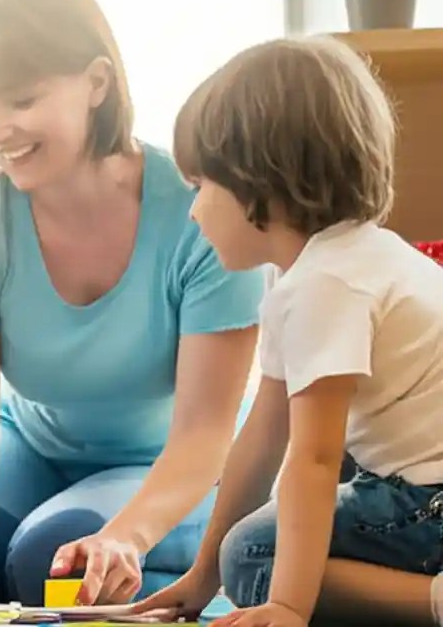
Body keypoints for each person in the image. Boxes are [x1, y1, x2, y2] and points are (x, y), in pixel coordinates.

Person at [0, 0, 266, 607]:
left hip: (173, 466)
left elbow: (203, 437)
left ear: (96, 83)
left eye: (21, 101)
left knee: (64, 559)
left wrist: (126, 535)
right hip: (33, 447)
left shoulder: (203, 215)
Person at [133, 36, 443, 626]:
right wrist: (201, 578)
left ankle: (432, 602)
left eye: (201, 188)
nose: (193, 212)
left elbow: (314, 459)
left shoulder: (326, 284)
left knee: (255, 556)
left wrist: (288, 605)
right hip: (419, 487)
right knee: (248, 548)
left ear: (260, 183)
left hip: (432, 503)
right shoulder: (316, 267)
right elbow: (265, 432)